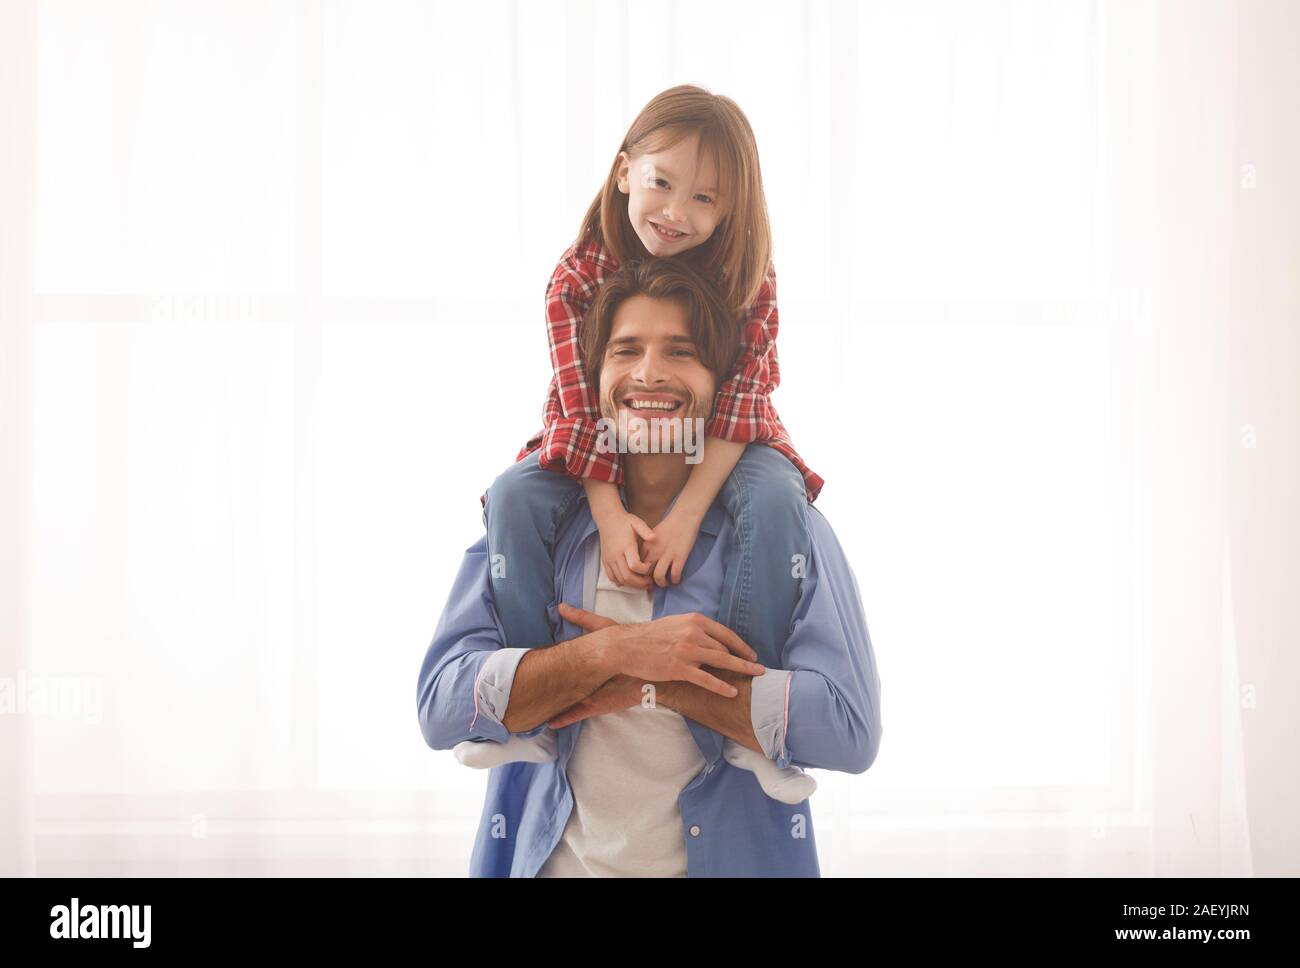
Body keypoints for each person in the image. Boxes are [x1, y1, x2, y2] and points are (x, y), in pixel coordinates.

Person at [417, 258, 881, 877]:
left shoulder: (784, 529)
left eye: (681, 352)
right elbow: (443, 708)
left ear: (722, 387)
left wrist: (659, 681)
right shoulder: (534, 526)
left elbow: (847, 731)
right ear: (593, 378)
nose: (649, 373)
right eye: (626, 349)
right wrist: (613, 654)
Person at [482, 84, 822, 689]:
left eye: (703, 197)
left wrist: (688, 512)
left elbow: (745, 401)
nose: (674, 213)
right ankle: (534, 687)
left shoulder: (746, 275)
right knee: (513, 494)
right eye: (660, 183)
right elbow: (577, 404)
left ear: (728, 210)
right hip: (593, 438)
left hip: (727, 439)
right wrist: (608, 513)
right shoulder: (576, 278)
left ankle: (753, 690)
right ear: (623, 173)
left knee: (774, 496)